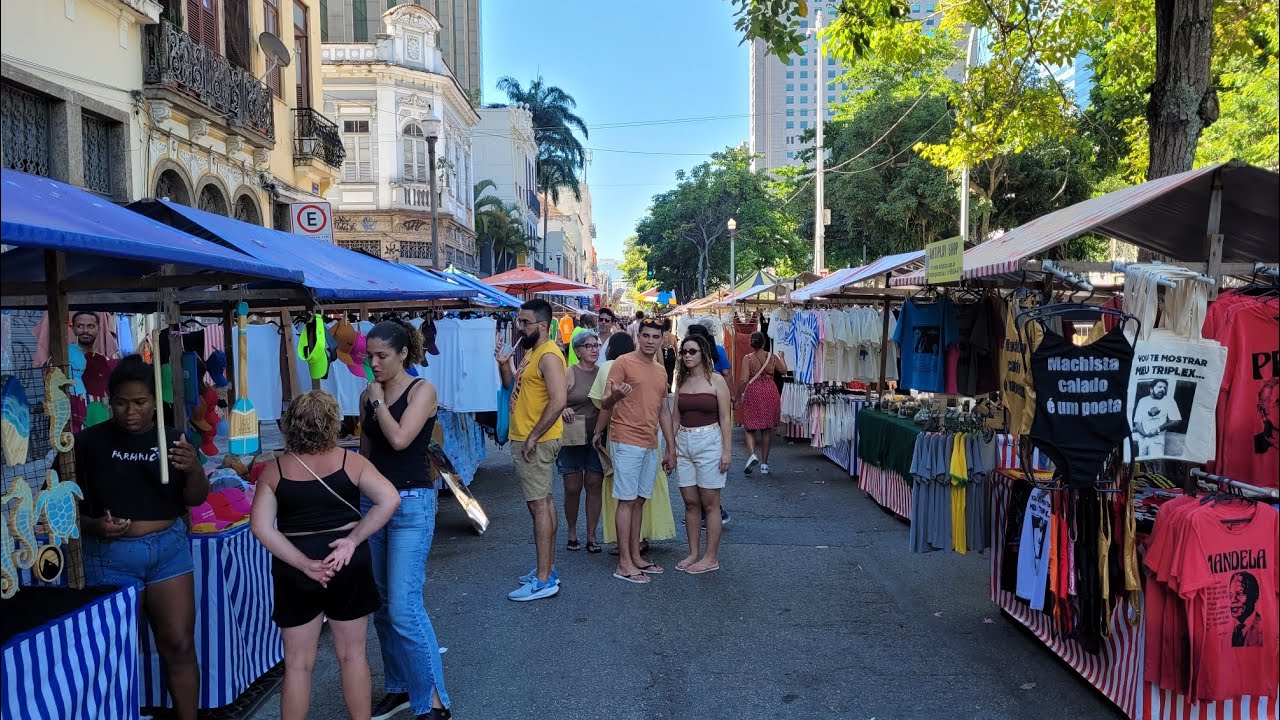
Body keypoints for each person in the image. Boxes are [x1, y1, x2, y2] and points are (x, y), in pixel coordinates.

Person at [251, 391, 401, 720]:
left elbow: (261, 528)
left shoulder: (274, 471)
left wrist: (305, 564)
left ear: (291, 426)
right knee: (352, 655)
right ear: (332, 423)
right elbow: (389, 499)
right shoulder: (353, 462)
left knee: (298, 664)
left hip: (296, 564)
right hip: (347, 561)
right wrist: (352, 540)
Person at [76, 355, 210, 720]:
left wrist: (194, 467)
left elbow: (196, 498)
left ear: (155, 401)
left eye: (140, 403)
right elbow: (66, 507)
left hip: (168, 552)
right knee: (115, 656)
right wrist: (93, 526)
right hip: (109, 555)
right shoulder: (87, 444)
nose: (130, 412)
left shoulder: (175, 439)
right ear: (109, 401)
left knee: (180, 646)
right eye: (121, 402)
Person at [359, 318, 451, 720]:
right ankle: (398, 686)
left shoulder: (422, 390)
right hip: (373, 504)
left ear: (402, 354)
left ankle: (432, 700)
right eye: (369, 356)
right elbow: (367, 453)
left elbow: (398, 439)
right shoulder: (368, 395)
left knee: (404, 606)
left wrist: (378, 401)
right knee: (380, 604)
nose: (374, 363)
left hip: (412, 503)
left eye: (381, 356)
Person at [594, 319, 677, 584]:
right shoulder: (623, 363)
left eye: (656, 336)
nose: (651, 341)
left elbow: (664, 410)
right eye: (646, 336)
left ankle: (636, 555)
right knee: (627, 500)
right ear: (637, 337)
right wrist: (615, 397)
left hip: (650, 442)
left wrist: (670, 449)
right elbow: (606, 401)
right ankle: (624, 562)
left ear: (662, 339)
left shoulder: (661, 371)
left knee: (640, 500)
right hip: (625, 439)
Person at [498, 298, 567, 602]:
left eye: (524, 322)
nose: (519, 326)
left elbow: (558, 400)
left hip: (535, 440)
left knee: (539, 506)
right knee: (544, 504)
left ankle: (542, 580)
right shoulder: (531, 352)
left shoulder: (549, 355)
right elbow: (512, 387)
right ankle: (546, 570)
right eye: (518, 320)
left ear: (542, 325)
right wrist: (503, 365)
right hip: (528, 437)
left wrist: (532, 437)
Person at [672, 334, 733, 574]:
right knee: (690, 502)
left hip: (709, 440)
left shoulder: (716, 381)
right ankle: (693, 553)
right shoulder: (682, 381)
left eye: (692, 351)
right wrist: (670, 448)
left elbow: (726, 417)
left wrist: (727, 451)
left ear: (703, 354)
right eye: (684, 352)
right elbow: (676, 416)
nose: (687, 355)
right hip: (683, 442)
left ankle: (711, 557)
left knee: (710, 504)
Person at [559, 331, 604, 553]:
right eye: (589, 346)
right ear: (577, 351)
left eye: (597, 345)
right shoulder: (569, 372)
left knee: (595, 485)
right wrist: (563, 408)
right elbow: (554, 400)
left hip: (597, 434)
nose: (595, 349)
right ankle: (572, 532)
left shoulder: (602, 372)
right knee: (572, 487)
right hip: (572, 433)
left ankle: (592, 535)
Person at [737, 331, 787, 475]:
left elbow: (743, 380)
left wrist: (737, 396)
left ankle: (752, 455)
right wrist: (782, 358)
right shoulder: (772, 357)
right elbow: (783, 371)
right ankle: (764, 464)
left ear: (751, 343)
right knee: (767, 429)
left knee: (750, 427)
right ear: (764, 343)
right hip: (770, 391)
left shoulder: (748, 358)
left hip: (754, 392)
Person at [1131, 379, 1182, 457]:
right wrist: (1144, 434)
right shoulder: (1143, 401)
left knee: (1155, 464)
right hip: (1143, 439)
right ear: (1151, 389)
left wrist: (1157, 429)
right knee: (1141, 463)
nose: (1162, 390)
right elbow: (1137, 422)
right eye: (1160, 387)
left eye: (1164, 388)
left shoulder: (1169, 401)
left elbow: (1176, 420)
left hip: (1157, 439)